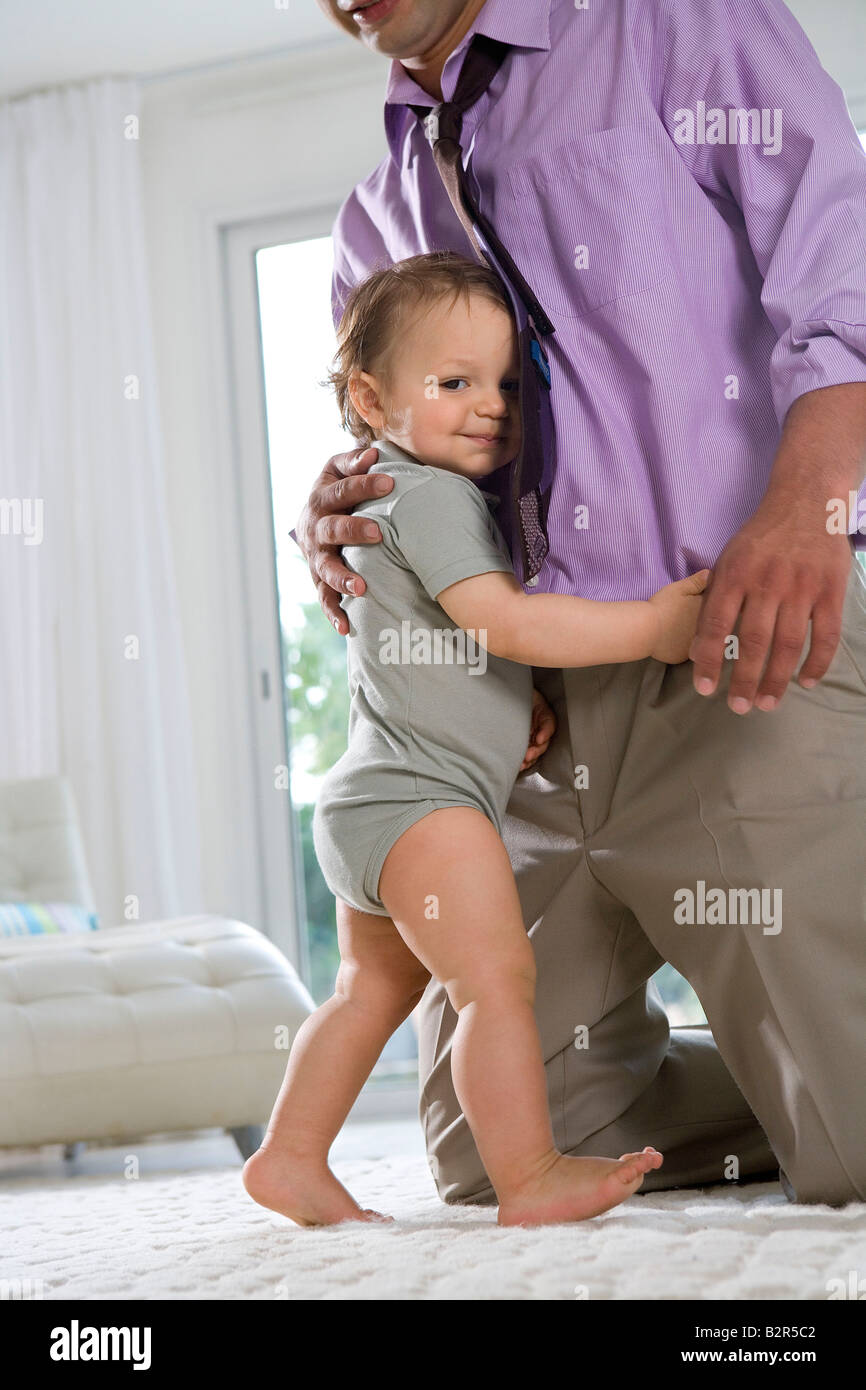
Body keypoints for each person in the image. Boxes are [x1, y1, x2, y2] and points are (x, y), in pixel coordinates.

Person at [293, 0, 866, 1206]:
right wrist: (339, 507)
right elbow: (397, 434)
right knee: (502, 1139)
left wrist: (807, 505)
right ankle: (791, 1079)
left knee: (854, 1136)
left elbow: (844, 262)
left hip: (732, 640)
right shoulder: (369, 219)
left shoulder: (678, 25)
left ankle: (823, 1083)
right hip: (535, 715)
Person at [244, 251, 722, 1225]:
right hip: (423, 802)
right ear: (370, 400)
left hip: (369, 800)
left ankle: (289, 1155)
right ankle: (526, 1175)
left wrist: (508, 705)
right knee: (495, 981)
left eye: (505, 383)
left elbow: (445, 652)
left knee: (365, 995)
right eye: (453, 382)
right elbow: (498, 622)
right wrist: (651, 626)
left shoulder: (378, 492)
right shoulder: (430, 496)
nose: (490, 405)